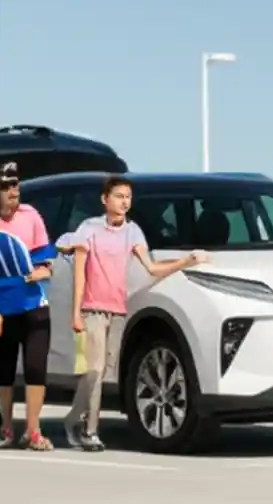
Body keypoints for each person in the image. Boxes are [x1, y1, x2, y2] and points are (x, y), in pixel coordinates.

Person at [64, 175, 208, 452]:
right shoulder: (88, 229)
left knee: (103, 373)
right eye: (119, 196)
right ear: (105, 199)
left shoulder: (133, 232)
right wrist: (76, 312)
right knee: (93, 371)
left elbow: (152, 268)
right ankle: (90, 431)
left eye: (128, 197)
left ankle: (72, 418)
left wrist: (187, 261)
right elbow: (79, 273)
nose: (124, 202)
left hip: (118, 309)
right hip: (93, 308)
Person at [0, 161, 55, 451]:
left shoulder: (31, 216)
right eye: (6, 186)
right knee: (4, 373)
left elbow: (46, 262)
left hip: (35, 305)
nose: (13, 190)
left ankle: (33, 431)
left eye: (16, 184)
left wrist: (40, 272)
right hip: (4, 309)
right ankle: (6, 427)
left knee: (35, 369)